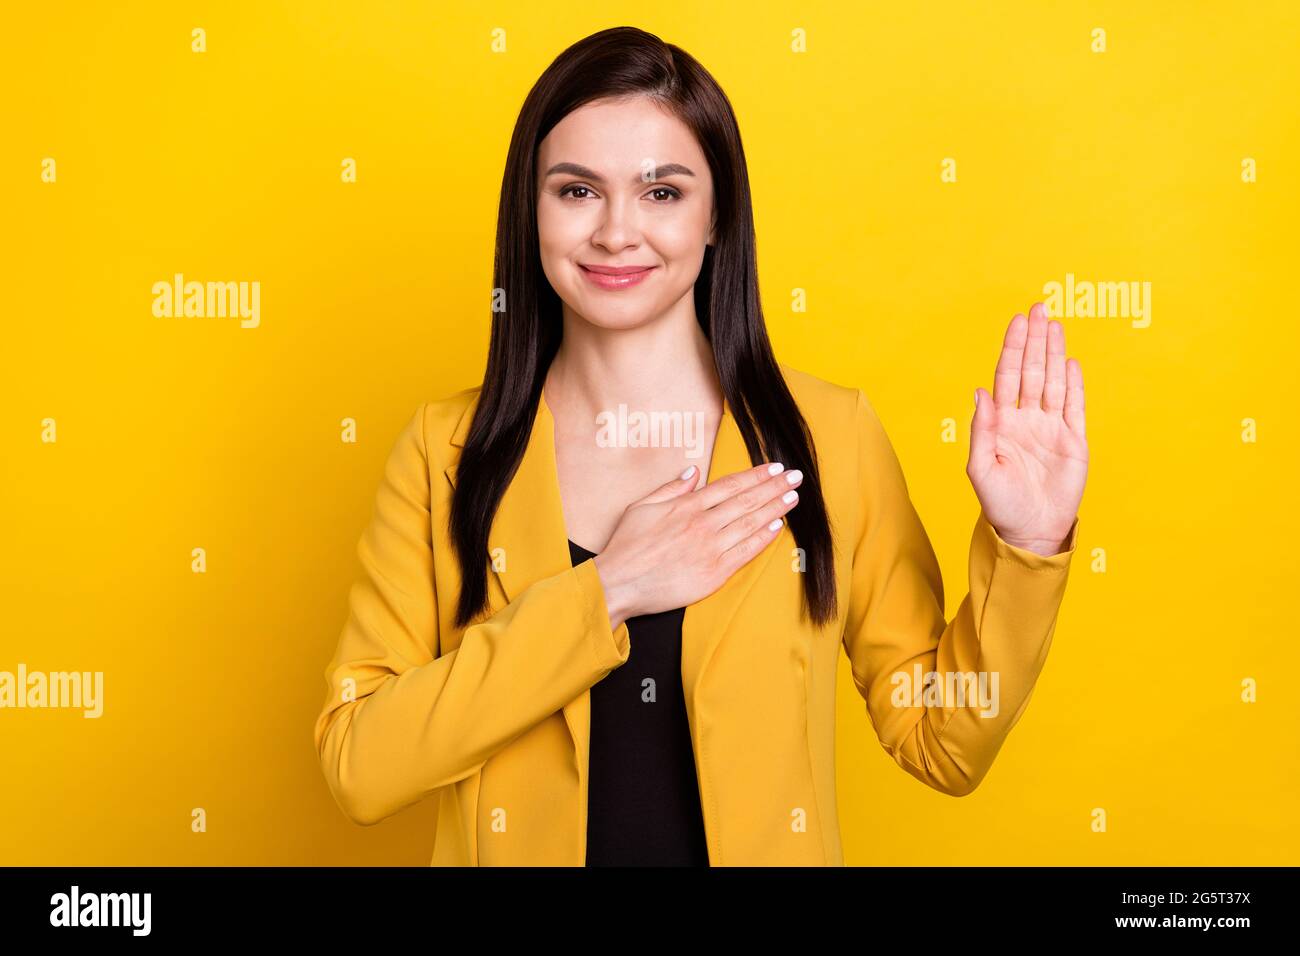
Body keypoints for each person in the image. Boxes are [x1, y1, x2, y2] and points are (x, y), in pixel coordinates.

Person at [313, 26, 1087, 866]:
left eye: (662, 192)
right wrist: (608, 589)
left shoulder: (829, 437)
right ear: (530, 211)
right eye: (576, 191)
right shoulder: (444, 453)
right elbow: (360, 763)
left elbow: (942, 740)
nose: (616, 232)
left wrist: (1028, 548)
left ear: (717, 215)